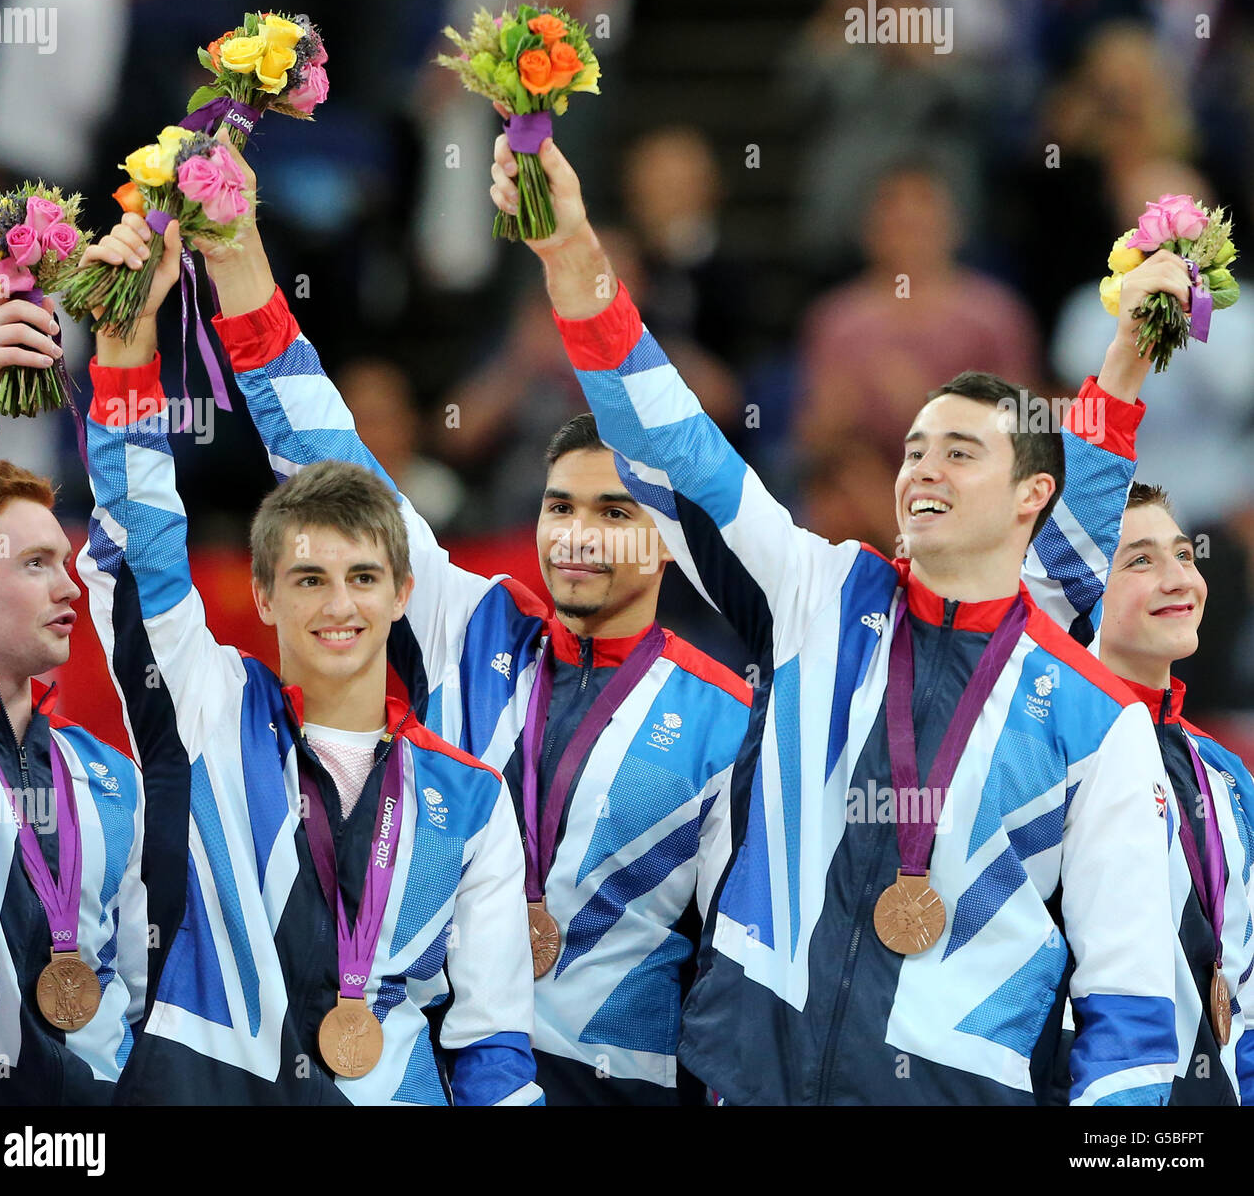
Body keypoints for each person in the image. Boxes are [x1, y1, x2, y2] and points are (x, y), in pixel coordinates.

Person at [490, 133, 1186, 1105]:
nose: (921, 470)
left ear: (1031, 495)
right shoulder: (818, 595)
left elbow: (1131, 1004)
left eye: (957, 453)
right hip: (750, 1073)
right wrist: (571, 256)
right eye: (912, 450)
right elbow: (676, 449)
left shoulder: (1094, 717)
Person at [196, 146, 752, 1105]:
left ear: (668, 542)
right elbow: (318, 444)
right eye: (559, 507)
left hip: (614, 1082)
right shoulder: (470, 621)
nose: (576, 535)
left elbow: (738, 972)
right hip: (432, 1065)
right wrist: (238, 253)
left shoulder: (727, 716)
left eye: (614, 513)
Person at [74, 214, 541, 1105]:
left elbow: (493, 1046)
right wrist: (126, 353)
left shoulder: (472, 798)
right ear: (262, 597)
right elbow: (143, 552)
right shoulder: (212, 711)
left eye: (364, 576)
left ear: (403, 592)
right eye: (310, 577)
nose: (338, 604)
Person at [0, 295, 149, 1103]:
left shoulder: (110, 775)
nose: (68, 584)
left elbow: (140, 997)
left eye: (64, 560)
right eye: (35, 563)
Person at [1073, 481, 1254, 1103]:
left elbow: (1247, 994)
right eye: (1141, 561)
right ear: (1079, 590)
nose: (1180, 579)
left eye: (1184, 555)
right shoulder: (1052, 762)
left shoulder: (1227, 777)